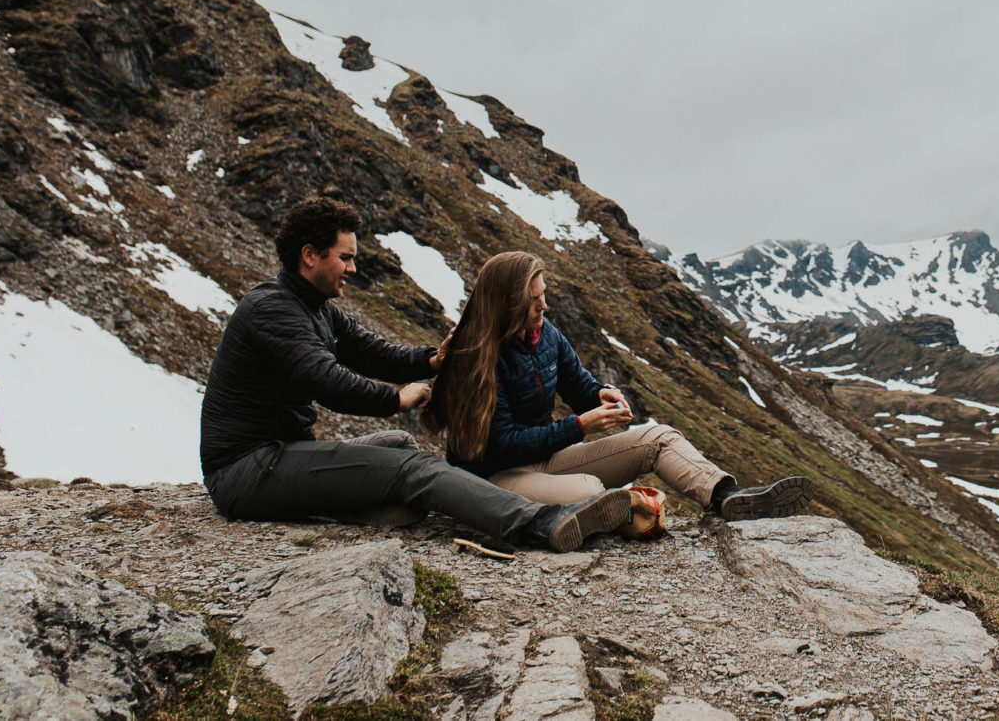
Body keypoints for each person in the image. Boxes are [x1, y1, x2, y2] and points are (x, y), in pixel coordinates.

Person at [199, 196, 630, 552]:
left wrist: (429, 362)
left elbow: (367, 351)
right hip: (250, 470)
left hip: (281, 455)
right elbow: (327, 382)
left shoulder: (316, 309)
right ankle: (537, 522)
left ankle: (357, 507)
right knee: (414, 467)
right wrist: (395, 399)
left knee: (400, 446)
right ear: (309, 255)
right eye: (345, 258)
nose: (352, 268)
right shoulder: (273, 309)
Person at [423, 250, 814, 520]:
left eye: (544, 296)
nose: (544, 307)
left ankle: (727, 497)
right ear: (505, 304)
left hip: (544, 460)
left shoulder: (547, 336)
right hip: (492, 478)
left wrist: (599, 394)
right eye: (532, 300)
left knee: (657, 437)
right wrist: (579, 427)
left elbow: (578, 385)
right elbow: (500, 445)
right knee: (589, 490)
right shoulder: (474, 355)